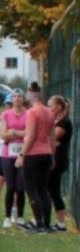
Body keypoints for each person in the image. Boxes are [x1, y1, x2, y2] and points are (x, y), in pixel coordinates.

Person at [17, 83, 55, 232]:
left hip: (33, 153)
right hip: (46, 152)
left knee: (32, 189)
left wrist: (22, 154)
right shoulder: (49, 112)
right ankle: (47, 223)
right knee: (43, 189)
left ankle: (38, 223)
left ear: (30, 94)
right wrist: (53, 155)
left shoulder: (32, 112)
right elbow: (51, 137)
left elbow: (30, 135)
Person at [0, 89, 29, 228]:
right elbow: (3, 135)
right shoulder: (5, 114)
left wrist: (14, 132)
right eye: (15, 97)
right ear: (11, 99)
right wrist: (16, 134)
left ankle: (21, 216)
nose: (17, 99)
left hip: (23, 153)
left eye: (20, 96)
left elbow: (29, 133)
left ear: (23, 99)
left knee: (21, 186)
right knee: (10, 186)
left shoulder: (28, 114)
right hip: (7, 153)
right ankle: (7, 217)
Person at [48, 95, 72, 231]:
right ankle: (60, 223)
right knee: (52, 190)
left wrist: (51, 140)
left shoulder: (64, 122)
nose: (49, 108)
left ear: (58, 107)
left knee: (50, 190)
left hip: (58, 160)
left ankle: (45, 220)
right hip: (54, 158)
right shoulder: (56, 121)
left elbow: (53, 137)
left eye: (51, 105)